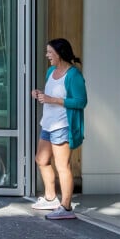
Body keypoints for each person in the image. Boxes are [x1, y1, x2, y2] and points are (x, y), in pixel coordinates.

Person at [33, 37, 87, 220]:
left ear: (60, 54)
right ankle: (50, 199)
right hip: (48, 123)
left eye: (50, 52)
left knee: (62, 166)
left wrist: (51, 100)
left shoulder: (74, 75)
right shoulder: (51, 71)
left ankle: (66, 207)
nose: (47, 55)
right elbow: (52, 94)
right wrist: (40, 94)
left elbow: (81, 102)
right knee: (41, 160)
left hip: (63, 125)